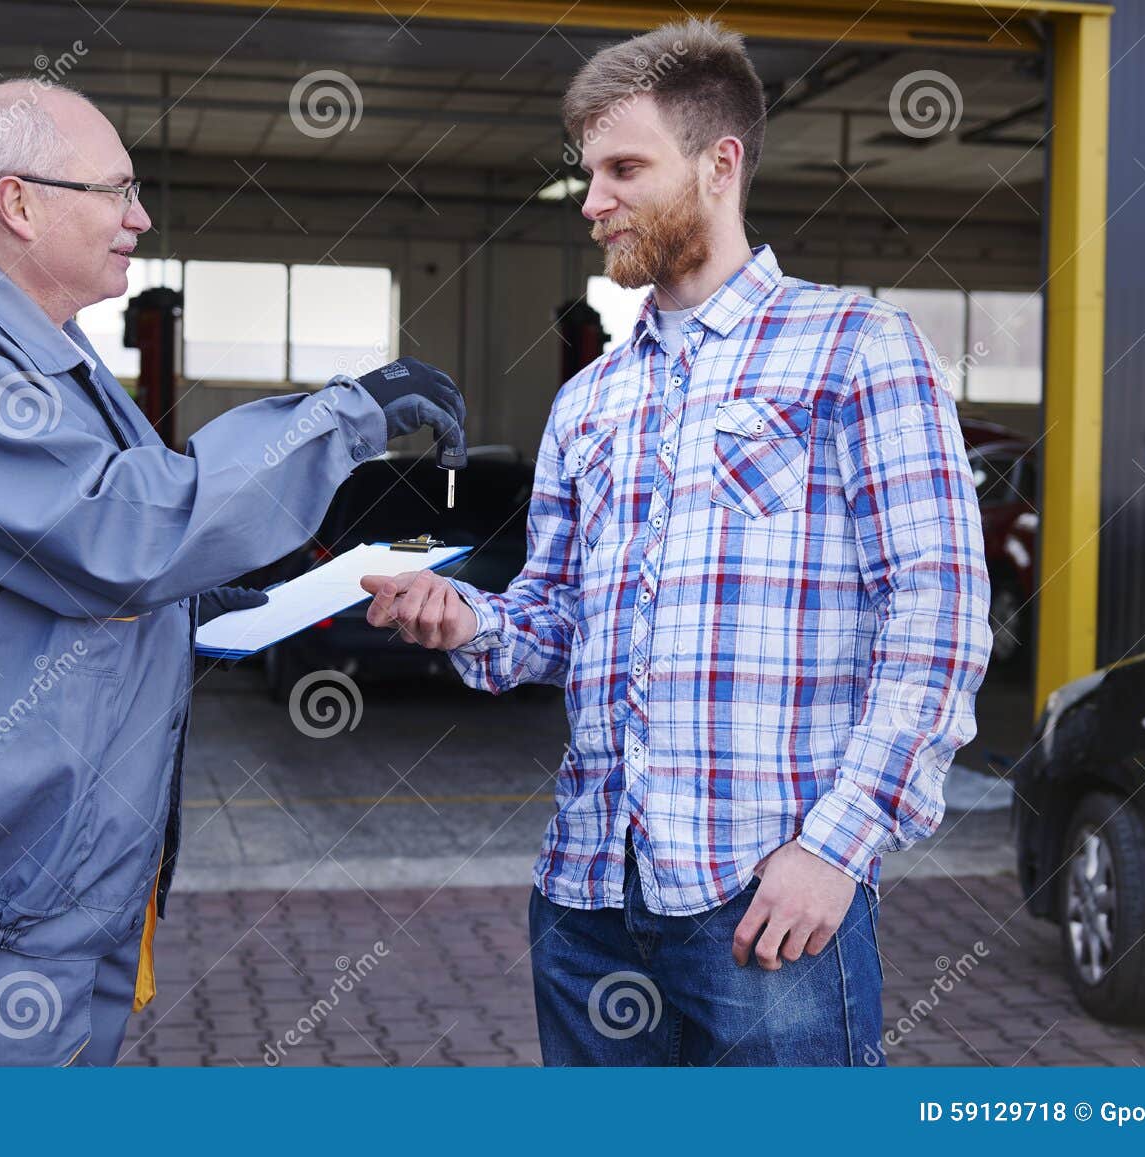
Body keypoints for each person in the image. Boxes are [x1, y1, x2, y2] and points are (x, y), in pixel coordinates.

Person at [361, 18, 992, 1066]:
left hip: (765, 897)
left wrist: (836, 847)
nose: (592, 201)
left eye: (622, 169)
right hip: (586, 899)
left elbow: (935, 616)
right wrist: (468, 619)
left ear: (718, 164)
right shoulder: (591, 400)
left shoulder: (858, 349)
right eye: (587, 173)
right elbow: (557, 617)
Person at [0, 78, 464, 1066]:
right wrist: (351, 413)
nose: (139, 215)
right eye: (114, 189)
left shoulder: (44, 355)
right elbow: (124, 531)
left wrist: (241, 604)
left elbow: (64, 569)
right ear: (19, 202)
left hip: (55, 892)